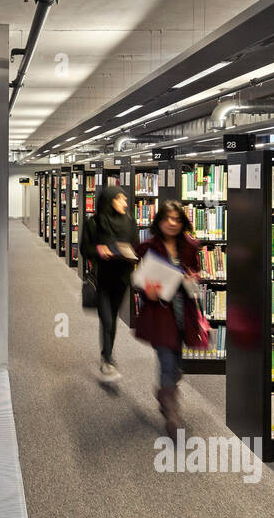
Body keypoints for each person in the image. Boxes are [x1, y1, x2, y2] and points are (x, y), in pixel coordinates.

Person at [132, 200, 202, 430]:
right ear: (159, 221)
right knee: (166, 360)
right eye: (167, 218)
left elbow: (196, 277)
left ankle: (165, 392)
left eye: (177, 219)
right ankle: (173, 415)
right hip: (160, 314)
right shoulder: (148, 247)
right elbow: (138, 281)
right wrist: (146, 291)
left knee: (176, 364)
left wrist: (193, 281)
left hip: (184, 313)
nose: (172, 223)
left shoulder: (190, 247)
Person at [79, 184, 137, 381]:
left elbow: (136, 245)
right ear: (109, 202)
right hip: (103, 277)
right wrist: (101, 251)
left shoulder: (130, 221)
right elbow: (85, 248)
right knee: (107, 319)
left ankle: (108, 355)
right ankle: (107, 358)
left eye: (124, 198)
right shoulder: (94, 223)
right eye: (119, 198)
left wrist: (130, 254)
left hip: (123, 278)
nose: (124, 202)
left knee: (112, 316)